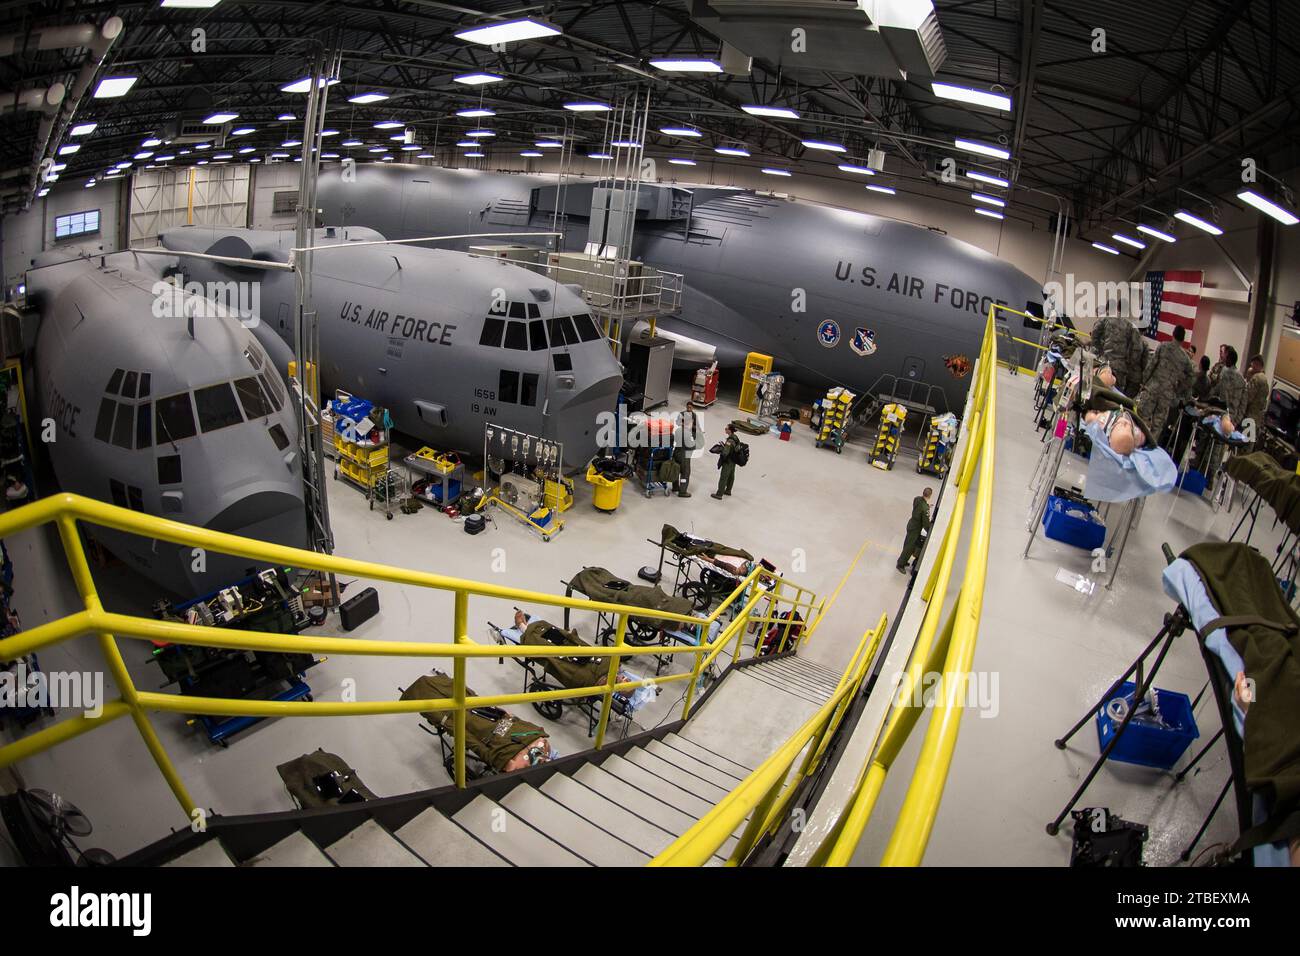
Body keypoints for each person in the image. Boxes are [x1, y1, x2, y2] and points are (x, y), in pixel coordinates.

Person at [1136, 324, 1197, 448]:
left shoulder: (1163, 346)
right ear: (1183, 339)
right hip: (1168, 394)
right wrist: (1179, 388)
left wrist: (1144, 382)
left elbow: (1151, 365)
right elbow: (1191, 377)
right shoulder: (1185, 358)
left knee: (1141, 417)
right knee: (1157, 425)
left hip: (1153, 387)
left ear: (1173, 334)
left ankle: (1135, 442)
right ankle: (1149, 449)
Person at [896, 487, 933, 574]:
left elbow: (919, 507)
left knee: (908, 544)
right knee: (909, 547)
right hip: (915, 529)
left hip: (911, 524)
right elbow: (925, 524)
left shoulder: (917, 499)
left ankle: (904, 561)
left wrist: (927, 506)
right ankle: (900, 564)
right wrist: (929, 531)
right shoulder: (925, 509)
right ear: (930, 496)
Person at [673, 401, 700, 498]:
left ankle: (675, 487)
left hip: (676, 452)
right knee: (685, 473)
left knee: (676, 469)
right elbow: (692, 446)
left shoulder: (678, 431)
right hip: (684, 456)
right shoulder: (688, 434)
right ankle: (682, 491)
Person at [1243, 354, 1270, 452]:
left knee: (1242, 446)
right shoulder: (1265, 380)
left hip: (1249, 417)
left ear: (1257, 364)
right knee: (1249, 447)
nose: (1251, 367)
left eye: (1253, 364)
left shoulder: (1256, 378)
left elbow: (1247, 398)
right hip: (1257, 420)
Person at [711, 424, 740, 500]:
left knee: (724, 477)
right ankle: (728, 490)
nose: (725, 429)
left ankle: (719, 494)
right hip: (734, 461)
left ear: (729, 430)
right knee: (731, 475)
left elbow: (725, 453)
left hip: (728, 461)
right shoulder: (735, 437)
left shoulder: (729, 440)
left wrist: (720, 450)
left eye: (726, 428)